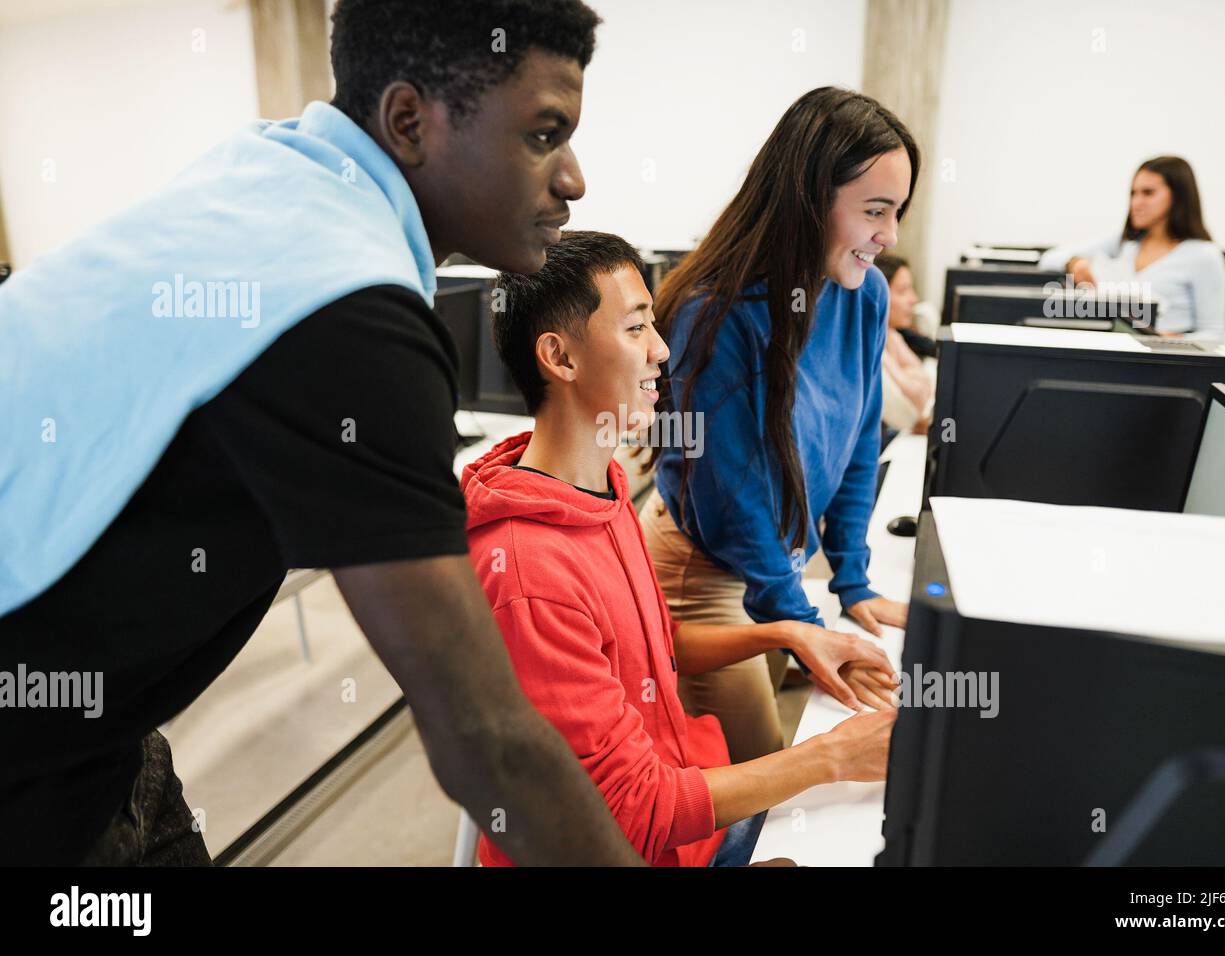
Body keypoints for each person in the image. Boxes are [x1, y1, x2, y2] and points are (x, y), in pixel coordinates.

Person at [0, 0, 646, 867]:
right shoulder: (346, 308)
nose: (571, 178)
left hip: (93, 728)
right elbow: (488, 743)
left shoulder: (274, 172)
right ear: (410, 121)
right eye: (543, 135)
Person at [462, 231, 900, 866]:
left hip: (684, 827)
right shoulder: (530, 572)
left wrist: (785, 635)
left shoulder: (600, 491)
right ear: (560, 357)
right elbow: (631, 812)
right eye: (637, 328)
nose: (662, 350)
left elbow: (654, 649)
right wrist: (832, 756)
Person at [639, 88, 920, 763]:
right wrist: (800, 620)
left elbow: (859, 439)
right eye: (875, 211)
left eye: (898, 212)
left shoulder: (864, 297)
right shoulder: (721, 315)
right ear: (808, 200)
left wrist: (852, 578)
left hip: (773, 564)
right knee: (761, 771)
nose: (891, 236)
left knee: (784, 741)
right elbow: (731, 503)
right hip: (702, 573)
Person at [1039, 155, 1225, 336]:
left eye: (1148, 193)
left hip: (1167, 362)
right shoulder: (1124, 244)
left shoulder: (1203, 256)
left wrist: (1169, 340)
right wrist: (1074, 263)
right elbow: (1048, 259)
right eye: (1133, 193)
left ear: (1178, 196)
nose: (1136, 203)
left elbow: (1214, 334)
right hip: (1120, 351)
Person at [874, 253, 936, 436]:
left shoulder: (892, 336)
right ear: (879, 294)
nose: (913, 299)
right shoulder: (871, 343)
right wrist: (910, 377)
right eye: (903, 291)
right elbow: (914, 412)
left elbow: (925, 388)